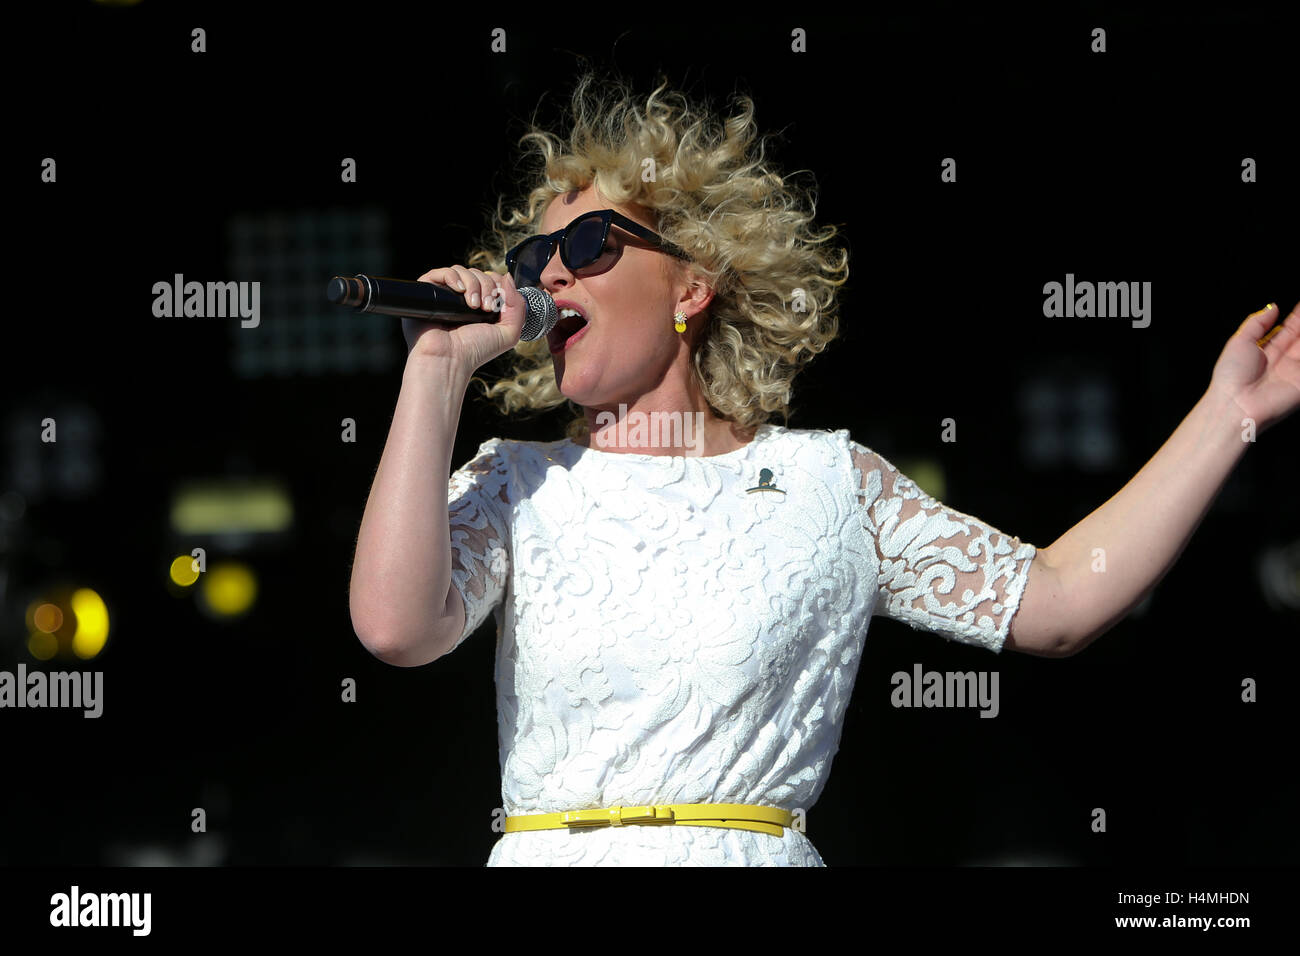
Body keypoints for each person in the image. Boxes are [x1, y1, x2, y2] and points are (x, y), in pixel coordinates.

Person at [348, 72, 1299, 866]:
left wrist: (1231, 414)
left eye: (590, 244)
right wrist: (436, 369)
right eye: (535, 255)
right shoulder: (517, 482)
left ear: (693, 283)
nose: (550, 275)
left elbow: (1057, 601)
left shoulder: (826, 484)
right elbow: (395, 628)